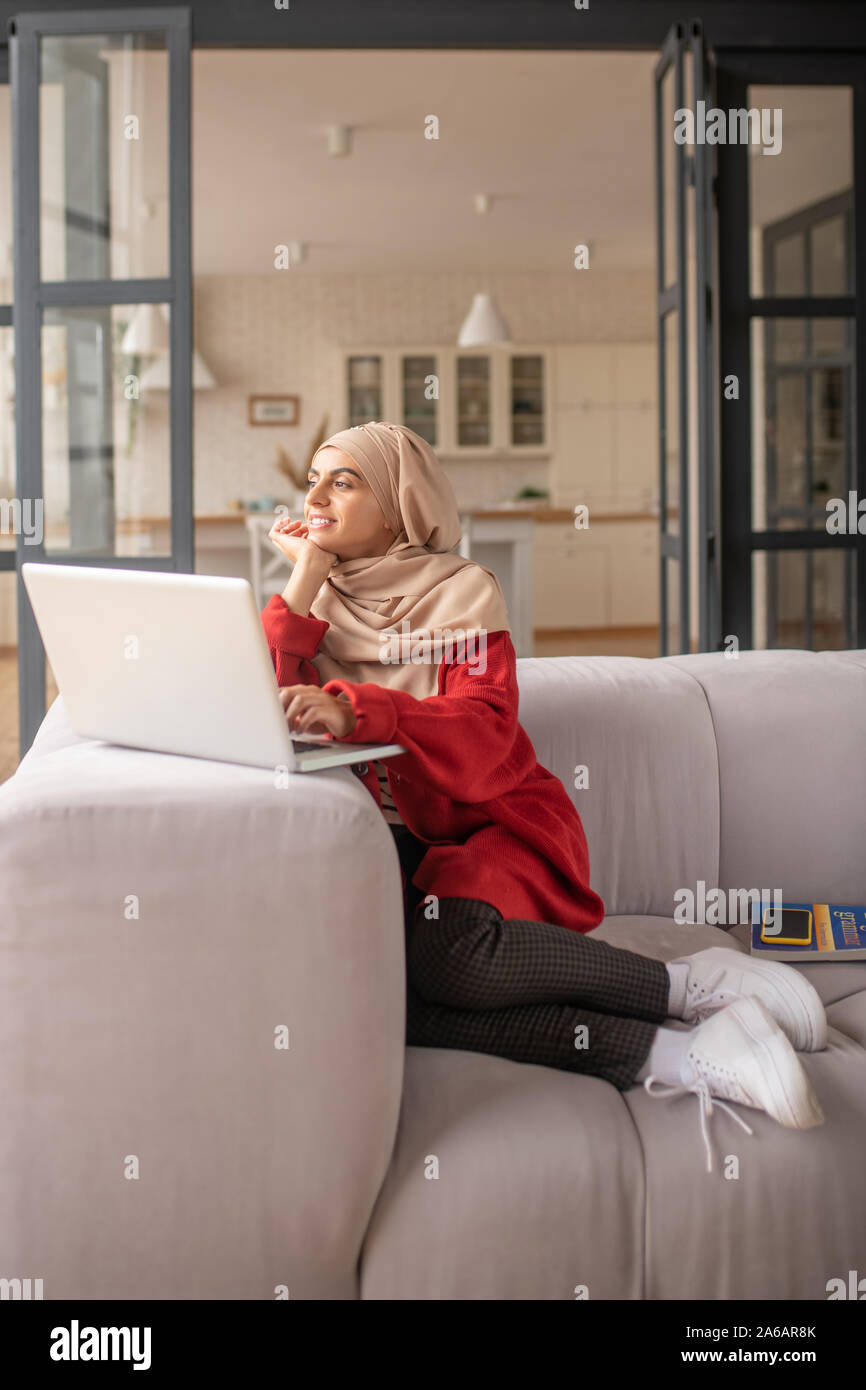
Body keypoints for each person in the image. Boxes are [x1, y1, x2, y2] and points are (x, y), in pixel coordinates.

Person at [260, 420, 826, 1175]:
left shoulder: (462, 591)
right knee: (402, 1006)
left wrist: (362, 709)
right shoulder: (321, 600)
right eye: (314, 481)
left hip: (492, 825)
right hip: (395, 850)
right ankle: (689, 1052)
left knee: (455, 960)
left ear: (398, 502)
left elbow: (485, 731)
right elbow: (267, 701)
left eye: (345, 480)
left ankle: (693, 984)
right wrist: (306, 570)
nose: (319, 495)